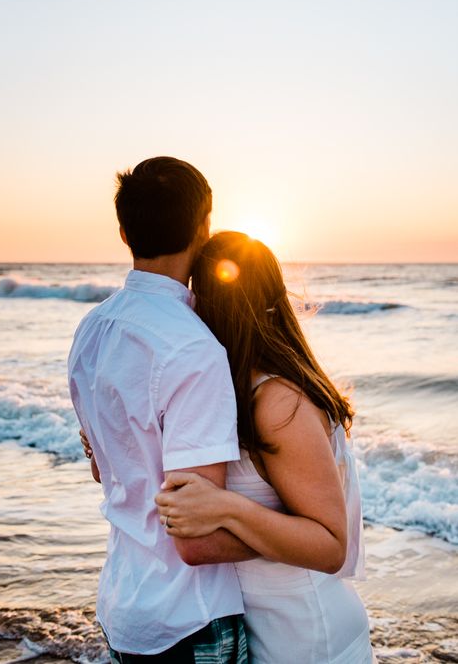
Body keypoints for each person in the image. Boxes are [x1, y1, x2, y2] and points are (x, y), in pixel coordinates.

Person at [154, 231, 375, 664]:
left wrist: (225, 508)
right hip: (264, 626)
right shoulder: (226, 392)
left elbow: (331, 546)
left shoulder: (277, 402)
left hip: (308, 635)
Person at [68, 158, 253, 663]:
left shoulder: (91, 331)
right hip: (188, 616)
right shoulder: (194, 350)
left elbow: (103, 467)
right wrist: (306, 534)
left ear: (124, 230)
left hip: (124, 603)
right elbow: (196, 539)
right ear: (204, 227)